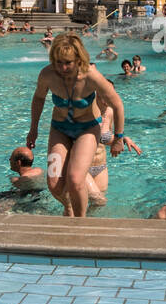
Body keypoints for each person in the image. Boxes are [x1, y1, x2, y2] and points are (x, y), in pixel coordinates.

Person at [26, 34, 130, 218]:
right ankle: (69, 207)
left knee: (75, 179)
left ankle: (80, 223)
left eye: (68, 63)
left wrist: (119, 138)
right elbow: (39, 98)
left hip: (87, 129)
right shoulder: (48, 74)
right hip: (60, 128)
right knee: (54, 183)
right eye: (58, 62)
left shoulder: (91, 75)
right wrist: (33, 129)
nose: (63, 68)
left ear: (79, 59)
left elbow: (118, 105)